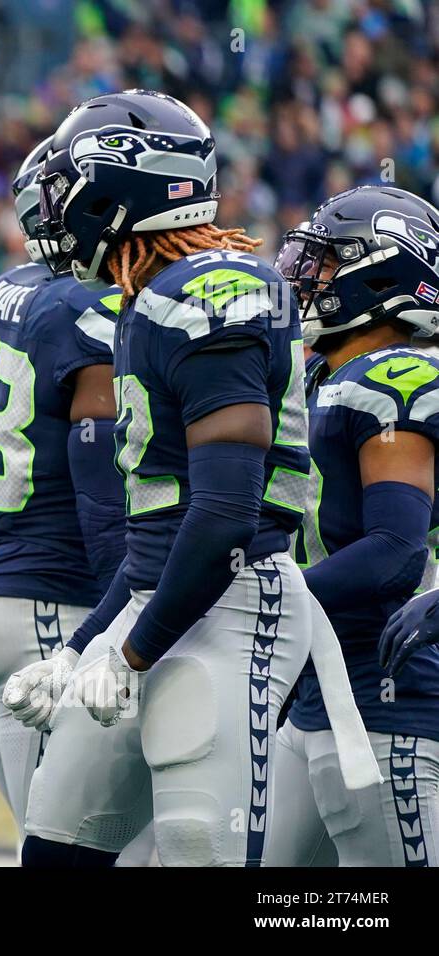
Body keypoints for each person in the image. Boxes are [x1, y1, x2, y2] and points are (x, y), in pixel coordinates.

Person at [5, 89, 313, 867]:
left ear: (120, 188)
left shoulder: (213, 292)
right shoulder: (149, 300)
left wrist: (133, 652)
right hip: (163, 596)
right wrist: (79, 648)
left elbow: (221, 518)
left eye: (68, 187)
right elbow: (158, 535)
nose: (53, 210)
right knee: (56, 838)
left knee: (195, 849)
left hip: (237, 605)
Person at [267, 185, 439, 866]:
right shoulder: (316, 377)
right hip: (318, 694)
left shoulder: (396, 376)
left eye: (328, 262)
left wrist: (259, 602)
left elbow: (393, 550)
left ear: (383, 272)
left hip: (388, 694)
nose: (307, 277)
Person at [0, 138, 125, 827]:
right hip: (54, 608)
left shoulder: (5, 289)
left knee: (54, 836)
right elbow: (101, 495)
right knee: (79, 844)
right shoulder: (91, 307)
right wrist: (126, 616)